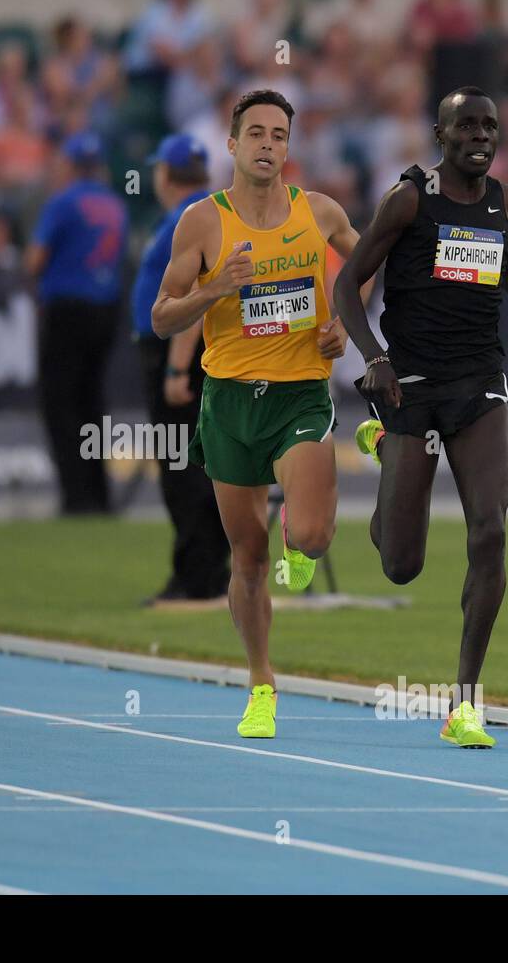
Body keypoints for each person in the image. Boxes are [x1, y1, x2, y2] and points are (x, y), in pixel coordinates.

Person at [332, 87, 508, 749]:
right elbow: (347, 283)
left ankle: (465, 701)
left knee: (490, 530)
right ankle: (384, 444)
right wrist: (373, 356)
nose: (480, 134)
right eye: (466, 124)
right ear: (440, 133)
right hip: (411, 387)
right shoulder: (409, 200)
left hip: (480, 386)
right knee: (400, 564)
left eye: (490, 125)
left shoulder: (506, 202)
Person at [152, 89, 373, 738]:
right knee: (245, 560)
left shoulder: (320, 213)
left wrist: (340, 322)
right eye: (257, 134)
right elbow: (163, 314)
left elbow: (365, 265)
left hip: (300, 394)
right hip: (228, 402)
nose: (268, 145)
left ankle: (297, 539)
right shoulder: (202, 222)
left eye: (280, 135)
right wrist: (216, 288)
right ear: (232, 144)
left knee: (311, 535)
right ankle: (261, 681)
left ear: (289, 147)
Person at [132, 133, 229, 605]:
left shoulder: (188, 220)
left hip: (178, 355)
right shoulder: (206, 213)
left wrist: (174, 370)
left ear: (165, 175)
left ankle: (196, 576)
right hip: (189, 353)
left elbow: (193, 295)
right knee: (198, 462)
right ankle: (210, 571)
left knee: (182, 465)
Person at [25, 131, 129, 515]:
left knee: (60, 401)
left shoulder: (62, 203)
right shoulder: (116, 205)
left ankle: (75, 497)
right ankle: (100, 494)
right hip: (106, 308)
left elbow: (34, 260)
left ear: (69, 165)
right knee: (92, 400)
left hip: (67, 306)